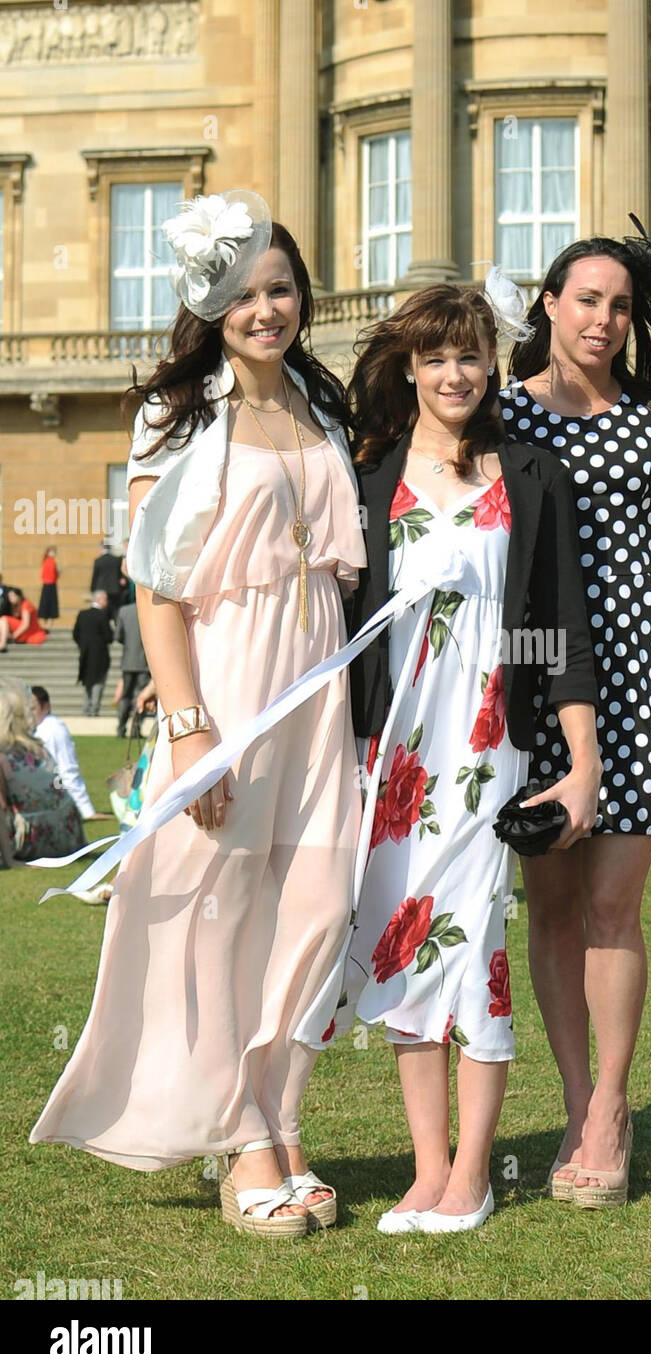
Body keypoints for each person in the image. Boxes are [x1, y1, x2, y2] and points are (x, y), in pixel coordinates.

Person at [31, 190, 366, 1240]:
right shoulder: (180, 415)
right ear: (209, 305)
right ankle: (244, 1138)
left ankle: (282, 1112)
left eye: (280, 287)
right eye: (242, 292)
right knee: (218, 907)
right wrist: (188, 724)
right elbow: (157, 588)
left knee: (315, 905)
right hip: (229, 679)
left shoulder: (322, 401)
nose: (265, 308)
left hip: (321, 679)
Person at [332, 278, 599, 1233]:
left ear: (493, 364)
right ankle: (427, 1165)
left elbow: (563, 628)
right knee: (403, 945)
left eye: (470, 354)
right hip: (394, 752)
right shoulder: (366, 477)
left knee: (475, 945)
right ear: (408, 366)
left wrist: (580, 762)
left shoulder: (531, 474)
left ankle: (474, 1172)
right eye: (435, 355)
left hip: (490, 748)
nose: (454, 372)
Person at [500, 223, 651, 1207]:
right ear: (548, 304)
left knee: (614, 907)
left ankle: (614, 1110)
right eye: (587, 299)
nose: (604, 319)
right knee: (549, 908)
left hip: (642, 676)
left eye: (621, 306)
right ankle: (579, 1102)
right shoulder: (500, 417)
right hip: (538, 680)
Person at [0, 676, 85, 865]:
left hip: (32, 840)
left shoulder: (4, 756)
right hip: (68, 834)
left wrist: (9, 860)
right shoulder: (39, 749)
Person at [28, 685, 109, 822]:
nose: (29, 714)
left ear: (46, 707)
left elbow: (67, 769)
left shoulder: (52, 731)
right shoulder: (40, 729)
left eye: (33, 709)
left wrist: (85, 810)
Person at [113, 599, 151, 737]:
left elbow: (118, 636)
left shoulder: (124, 611)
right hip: (145, 662)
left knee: (126, 696)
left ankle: (121, 727)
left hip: (128, 661)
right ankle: (136, 727)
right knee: (142, 696)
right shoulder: (149, 609)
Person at [72, 592, 111, 715]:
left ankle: (86, 707)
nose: (107, 602)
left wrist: (83, 645)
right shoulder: (102, 615)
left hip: (85, 654)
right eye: (105, 599)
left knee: (87, 682)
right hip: (100, 655)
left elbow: (75, 634)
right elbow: (109, 636)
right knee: (98, 682)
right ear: (99, 600)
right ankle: (94, 708)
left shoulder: (82, 614)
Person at [89, 541, 127, 624]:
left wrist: (92, 589)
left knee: (103, 610)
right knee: (115, 610)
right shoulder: (116, 560)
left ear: (101, 548)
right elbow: (121, 575)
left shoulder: (98, 560)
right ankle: (117, 626)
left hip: (102, 590)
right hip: (115, 590)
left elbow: (95, 577)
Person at [38, 547, 60, 627]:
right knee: (50, 604)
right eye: (52, 552)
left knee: (47, 604)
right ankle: (48, 623)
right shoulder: (50, 562)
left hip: (48, 584)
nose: (54, 554)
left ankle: (48, 623)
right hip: (49, 584)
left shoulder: (47, 561)